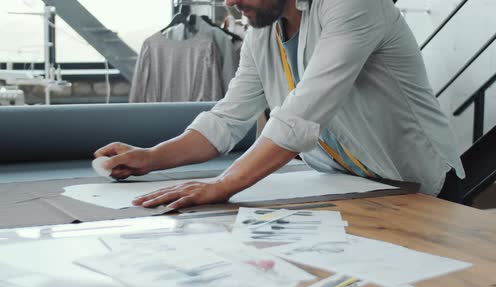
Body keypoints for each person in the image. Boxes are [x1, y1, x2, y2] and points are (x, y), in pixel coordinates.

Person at [96, 0, 465, 209]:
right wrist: (151, 157)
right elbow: (227, 119)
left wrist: (223, 185)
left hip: (417, 187)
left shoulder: (353, 4)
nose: (229, 2)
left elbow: (300, 115)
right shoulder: (261, 32)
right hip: (346, 188)